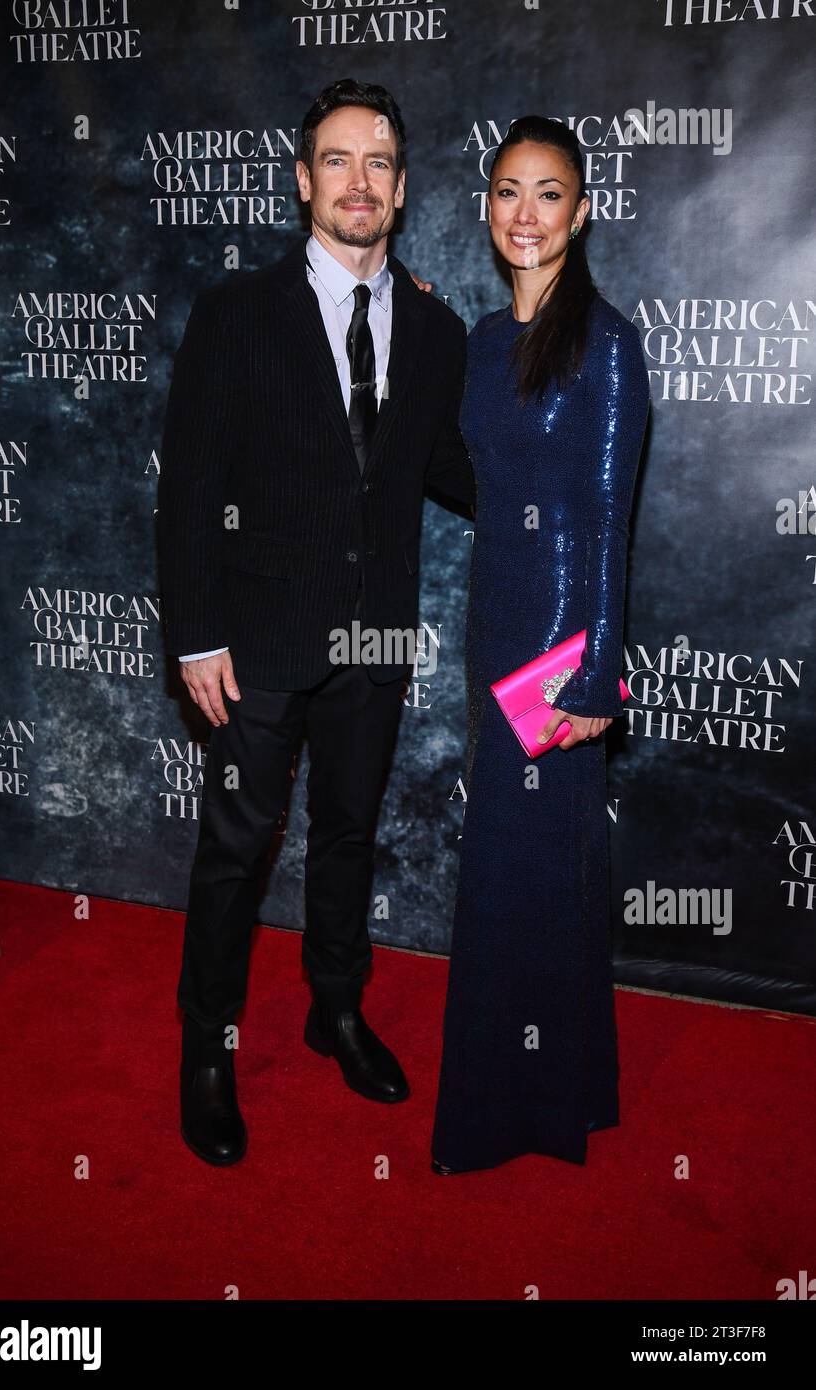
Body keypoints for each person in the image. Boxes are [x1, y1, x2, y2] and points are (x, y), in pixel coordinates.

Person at [157, 78, 474, 1167]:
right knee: (234, 853)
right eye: (335, 161)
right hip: (253, 646)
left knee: (346, 836)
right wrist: (195, 633)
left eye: (377, 163)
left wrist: (553, 470)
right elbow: (190, 488)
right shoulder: (234, 315)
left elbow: (453, 472)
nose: (358, 181)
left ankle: (333, 1008)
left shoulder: (431, 328)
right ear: (301, 182)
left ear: (399, 187)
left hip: (373, 640)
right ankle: (207, 1046)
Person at [430, 115, 651, 1175]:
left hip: (560, 655)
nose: (526, 213)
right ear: (485, 209)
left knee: (539, 869)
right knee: (513, 873)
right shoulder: (476, 342)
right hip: (494, 627)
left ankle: (518, 1108)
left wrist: (598, 672)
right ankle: (556, 1085)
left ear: (582, 209)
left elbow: (609, 516)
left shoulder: (604, 342)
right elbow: (466, 481)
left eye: (548, 192)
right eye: (507, 191)